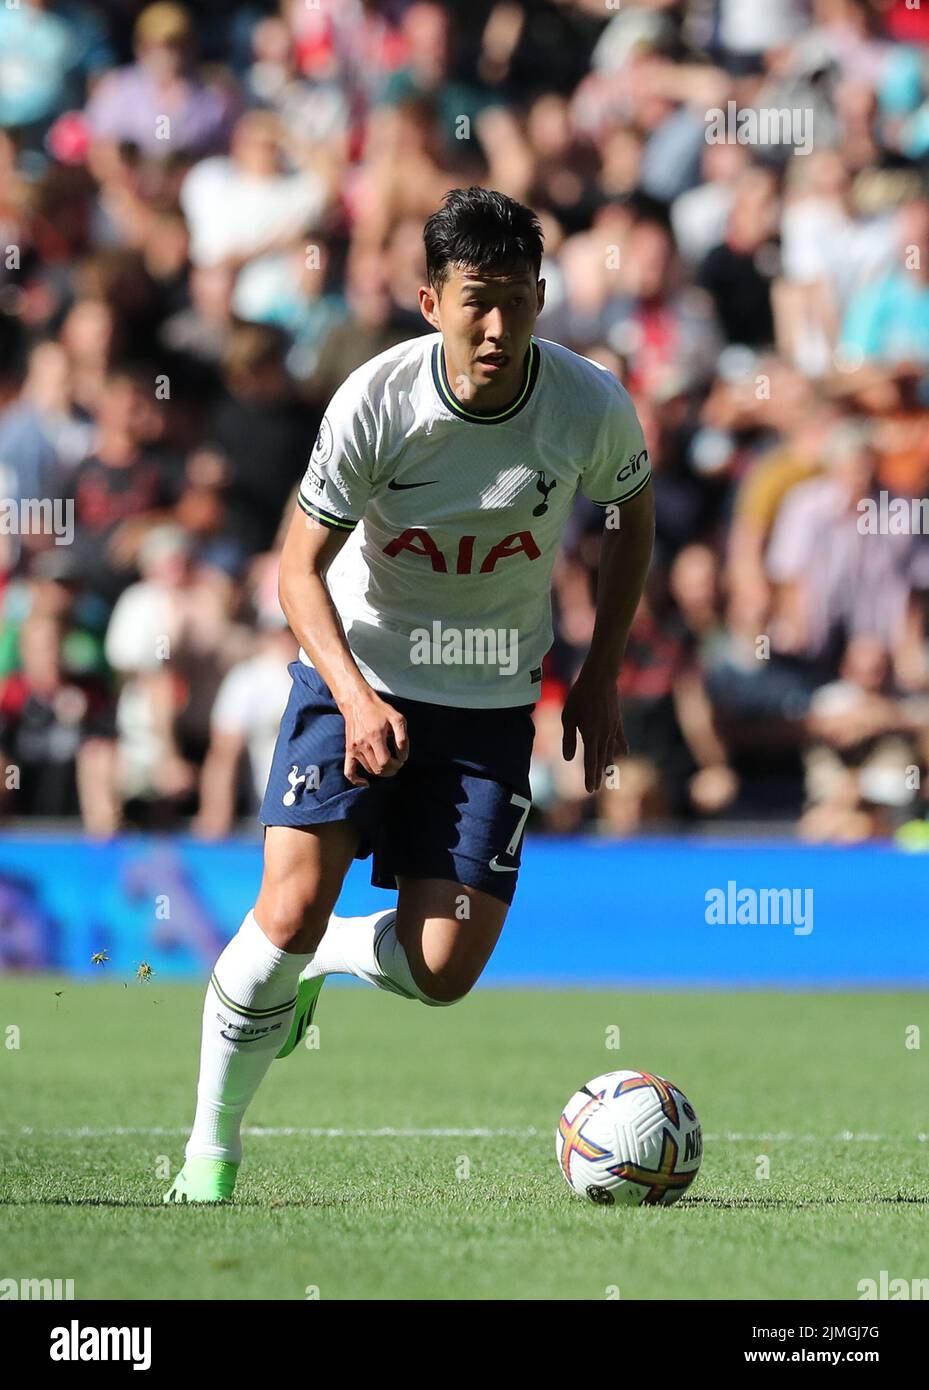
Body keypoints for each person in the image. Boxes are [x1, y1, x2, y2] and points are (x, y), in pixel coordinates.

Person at [164, 186, 655, 1204]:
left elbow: (630, 517)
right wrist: (349, 694)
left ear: (541, 298)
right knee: (288, 903)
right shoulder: (376, 401)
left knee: (442, 969)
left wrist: (599, 669)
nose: (496, 325)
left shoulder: (587, 403)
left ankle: (328, 960)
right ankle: (207, 1154)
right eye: (476, 298)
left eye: (517, 299)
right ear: (429, 299)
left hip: (486, 707)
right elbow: (295, 571)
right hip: (359, 676)